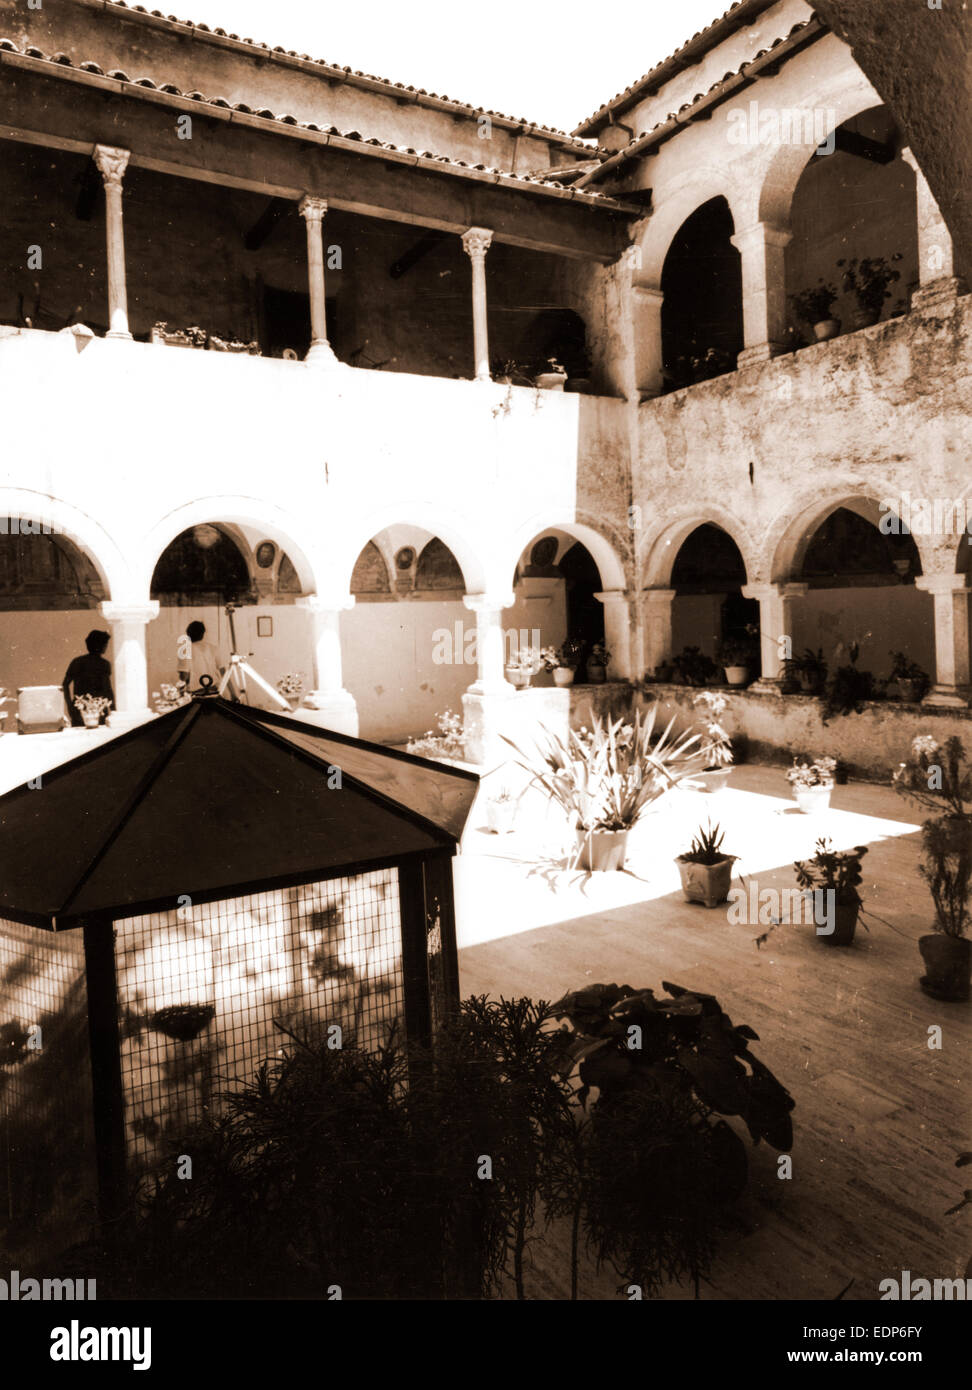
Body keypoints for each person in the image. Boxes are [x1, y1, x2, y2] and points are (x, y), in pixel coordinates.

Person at [63, 630, 114, 727]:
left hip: (83, 708)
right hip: (95, 708)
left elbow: (65, 685)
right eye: (105, 644)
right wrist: (113, 709)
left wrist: (70, 706)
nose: (105, 647)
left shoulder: (77, 662)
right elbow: (108, 689)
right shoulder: (104, 664)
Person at [178, 620, 224, 691]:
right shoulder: (213, 648)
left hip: (196, 693)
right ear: (203, 633)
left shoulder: (185, 650)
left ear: (188, 634)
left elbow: (184, 676)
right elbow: (224, 673)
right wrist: (233, 694)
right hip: (214, 691)